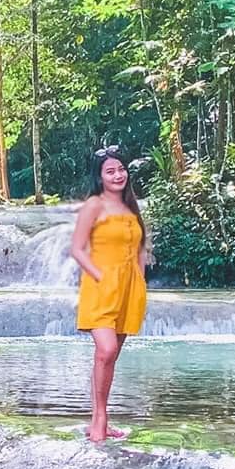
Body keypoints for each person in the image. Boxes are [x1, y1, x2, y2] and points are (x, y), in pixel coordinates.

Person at [68, 148, 151, 444]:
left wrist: (140, 281)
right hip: (101, 287)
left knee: (112, 356)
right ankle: (100, 419)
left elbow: (141, 248)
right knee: (105, 350)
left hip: (129, 289)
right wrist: (100, 276)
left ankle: (100, 421)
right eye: (110, 171)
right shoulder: (94, 205)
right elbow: (77, 249)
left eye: (121, 169)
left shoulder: (131, 207)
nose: (118, 175)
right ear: (100, 177)